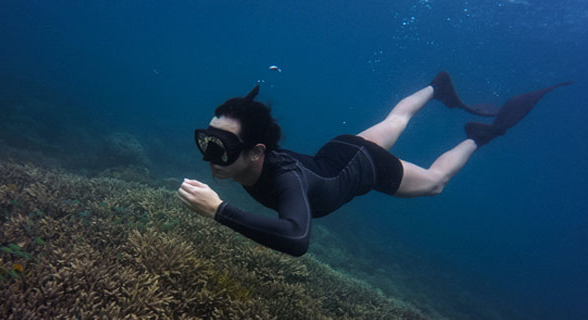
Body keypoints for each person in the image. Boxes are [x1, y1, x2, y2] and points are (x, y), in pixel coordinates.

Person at [177, 72, 571, 256]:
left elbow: (296, 238)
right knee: (394, 122)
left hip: (366, 167)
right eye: (207, 141)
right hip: (341, 151)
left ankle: (479, 135)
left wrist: (220, 211)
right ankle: (438, 86)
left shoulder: (286, 179)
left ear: (257, 151)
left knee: (435, 182)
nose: (209, 154)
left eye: (222, 147)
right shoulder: (256, 160)